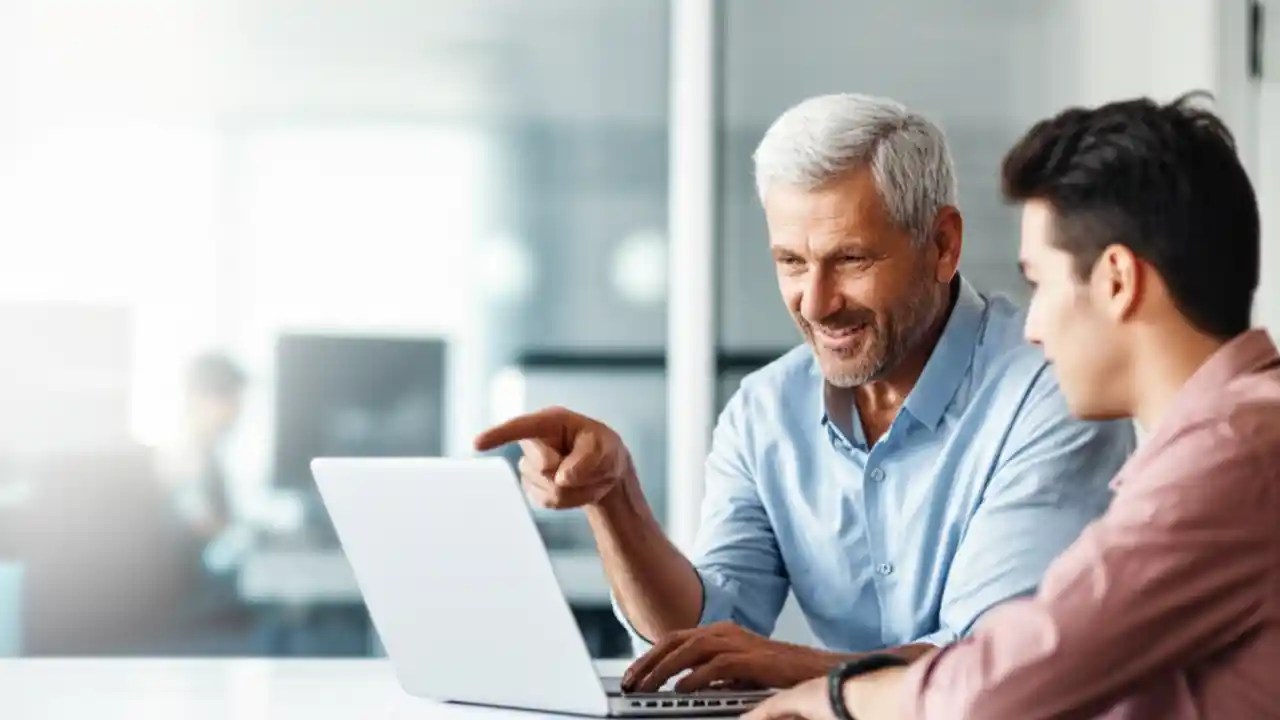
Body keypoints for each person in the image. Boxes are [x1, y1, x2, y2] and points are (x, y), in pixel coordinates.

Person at [475, 94, 1134, 692]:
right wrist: (613, 496)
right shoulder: (765, 412)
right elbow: (702, 629)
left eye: (851, 260)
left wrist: (808, 672)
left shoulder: (1052, 390)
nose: (816, 304)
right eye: (790, 262)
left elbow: (1002, 662)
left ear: (942, 244)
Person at [747, 95, 1280, 719]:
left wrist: (833, 697)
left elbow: (1004, 685)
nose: (1033, 327)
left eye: (1040, 283)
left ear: (1116, 281)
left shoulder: (1234, 455)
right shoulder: (1232, 438)